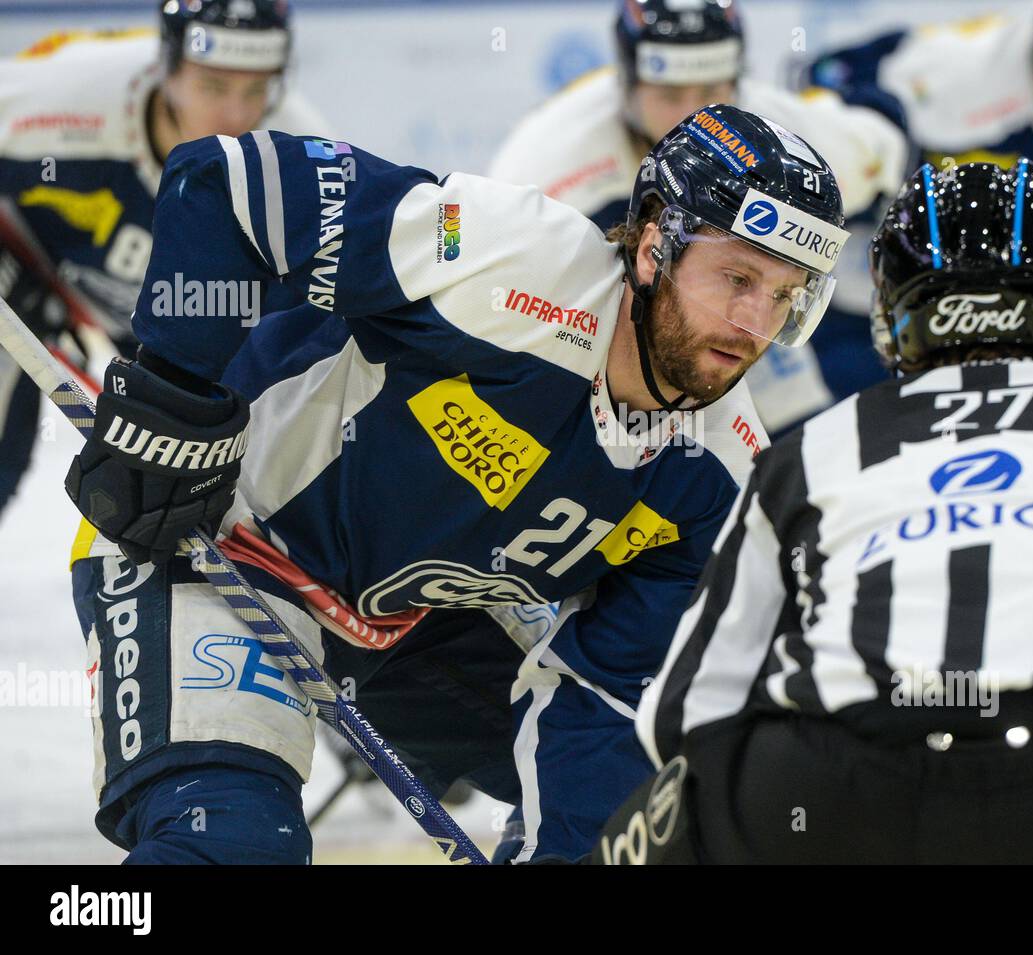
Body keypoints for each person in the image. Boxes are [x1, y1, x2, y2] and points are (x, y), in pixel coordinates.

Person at [60, 103, 850, 863]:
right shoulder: (506, 262)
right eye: (737, 278)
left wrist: (570, 852)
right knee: (230, 842)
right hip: (210, 533)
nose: (756, 324)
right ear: (652, 245)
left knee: (661, 816)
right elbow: (229, 184)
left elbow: (612, 695)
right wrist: (173, 394)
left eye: (784, 295)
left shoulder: (719, 471)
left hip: (416, 615)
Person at [611, 160, 1033, 864]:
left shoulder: (808, 452)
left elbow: (684, 712)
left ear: (892, 306)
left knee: (657, 821)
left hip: (844, 791)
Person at [488, 0, 905, 434]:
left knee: (795, 430)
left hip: (726, 299)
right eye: (669, 95)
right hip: (596, 298)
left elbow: (886, 146)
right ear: (627, 85)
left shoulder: (785, 137)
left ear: (738, 82)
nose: (688, 111)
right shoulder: (550, 155)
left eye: (710, 92)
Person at [0, 0, 328, 521]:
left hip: (175, 326)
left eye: (256, 88)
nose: (236, 115)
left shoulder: (298, 157)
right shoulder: (63, 96)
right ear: (167, 69)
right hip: (30, 263)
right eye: (214, 86)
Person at [797, 0, 1033, 412]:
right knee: (853, 396)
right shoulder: (960, 77)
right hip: (865, 237)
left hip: (952, 255)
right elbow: (826, 78)